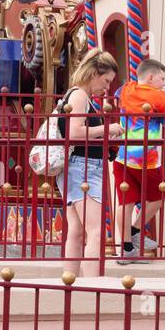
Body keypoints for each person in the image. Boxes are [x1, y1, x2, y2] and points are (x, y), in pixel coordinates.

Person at [55, 50, 123, 279]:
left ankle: (70, 280)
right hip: (83, 167)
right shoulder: (80, 96)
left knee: (76, 230)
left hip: (77, 167)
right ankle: (93, 285)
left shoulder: (78, 96)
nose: (107, 88)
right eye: (105, 81)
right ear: (94, 73)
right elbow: (75, 132)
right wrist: (108, 129)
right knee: (96, 231)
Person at [113, 58, 165, 263]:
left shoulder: (125, 89)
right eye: (162, 78)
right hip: (145, 158)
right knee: (159, 195)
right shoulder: (158, 96)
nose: (163, 83)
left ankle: (126, 247)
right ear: (150, 77)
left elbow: (115, 98)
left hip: (123, 155)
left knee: (126, 200)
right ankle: (136, 231)